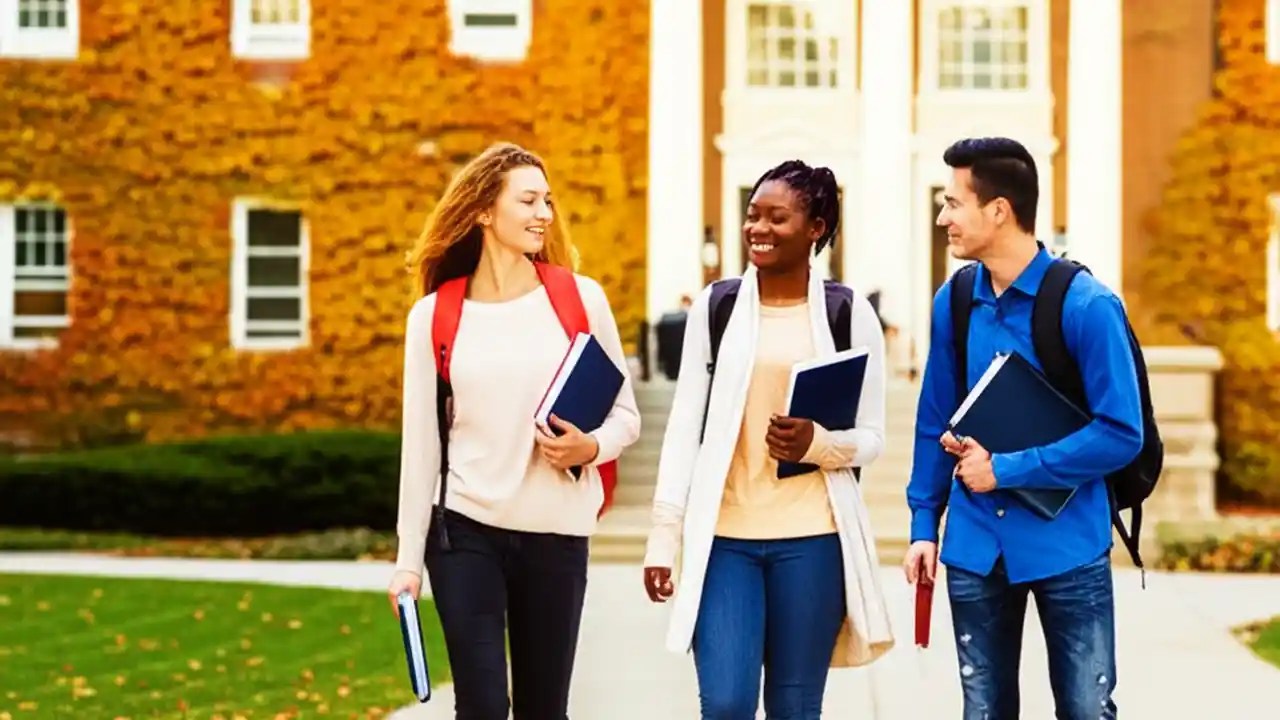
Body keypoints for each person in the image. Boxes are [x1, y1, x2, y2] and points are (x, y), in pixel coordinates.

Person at [387, 142, 641, 720]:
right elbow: (422, 445)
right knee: (480, 708)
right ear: (483, 210)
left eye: (547, 201)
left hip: (556, 529)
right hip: (464, 530)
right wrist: (408, 559)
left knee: (543, 710)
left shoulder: (580, 299)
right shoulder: (434, 317)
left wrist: (591, 445)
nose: (544, 214)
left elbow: (626, 415)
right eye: (528, 200)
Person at [642, 160, 894, 719]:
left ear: (816, 228)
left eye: (778, 217)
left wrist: (819, 443)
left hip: (812, 539)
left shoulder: (848, 313)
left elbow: (873, 437)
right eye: (753, 215)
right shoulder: (718, 307)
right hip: (725, 537)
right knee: (727, 703)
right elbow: (686, 422)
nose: (758, 228)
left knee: (794, 707)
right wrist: (664, 536)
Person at [902, 137, 1144, 719]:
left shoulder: (1087, 306)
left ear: (999, 210)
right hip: (975, 547)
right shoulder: (955, 301)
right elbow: (935, 417)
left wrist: (1005, 469)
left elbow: (1121, 432)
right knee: (983, 712)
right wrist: (922, 524)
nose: (943, 218)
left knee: (1087, 710)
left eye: (952, 202)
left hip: (1069, 546)